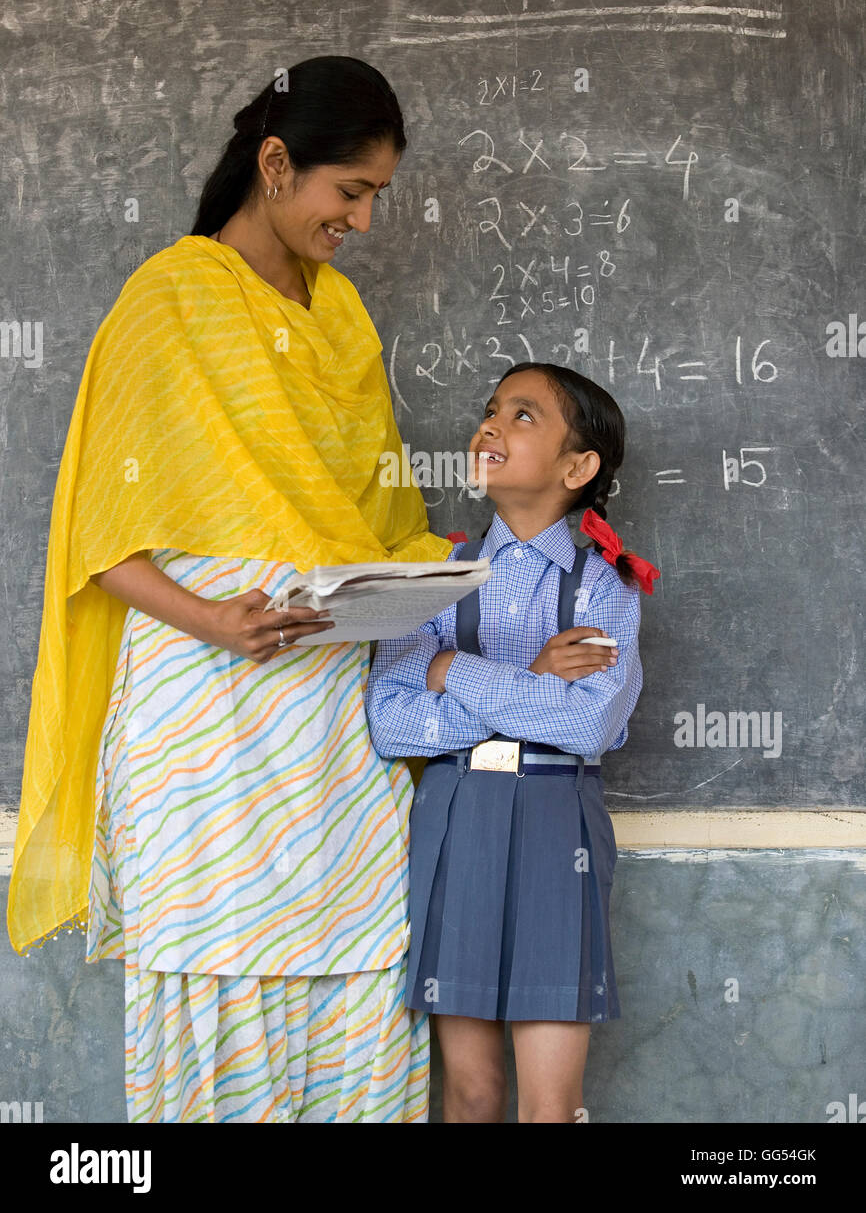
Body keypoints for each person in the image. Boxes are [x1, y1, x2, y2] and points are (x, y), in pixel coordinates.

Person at [7, 55, 455, 1122]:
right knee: (212, 956)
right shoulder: (168, 298)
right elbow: (99, 539)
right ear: (273, 162)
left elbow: (372, 517)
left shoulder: (341, 314)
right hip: (203, 700)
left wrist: (436, 574)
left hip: (333, 705)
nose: (361, 218)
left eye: (375, 198)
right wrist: (214, 617)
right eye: (349, 191)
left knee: (360, 957)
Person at [365, 362, 660, 1123]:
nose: (491, 425)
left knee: (550, 1103)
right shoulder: (433, 577)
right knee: (469, 1092)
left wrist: (450, 668)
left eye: (523, 416)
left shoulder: (607, 584)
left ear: (578, 465)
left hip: (560, 820)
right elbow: (391, 722)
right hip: (456, 814)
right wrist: (531, 676)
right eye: (491, 410)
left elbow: (589, 723)